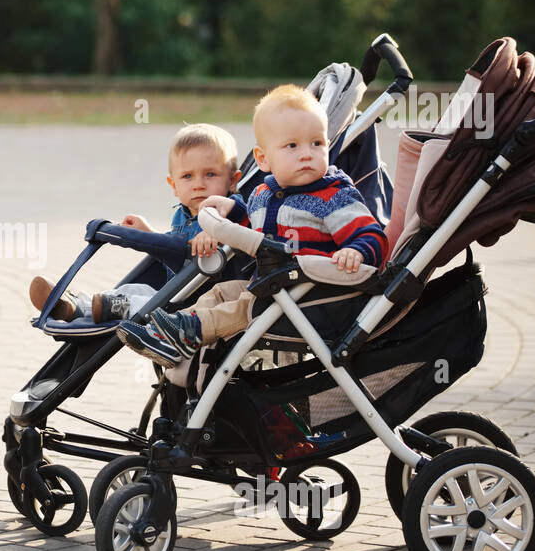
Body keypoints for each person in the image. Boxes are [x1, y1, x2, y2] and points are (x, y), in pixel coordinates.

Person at [118, 84, 388, 366]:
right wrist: (232, 209)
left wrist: (357, 250)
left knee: (244, 307)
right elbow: (251, 226)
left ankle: (188, 334)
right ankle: (172, 334)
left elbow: (371, 234)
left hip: (314, 297)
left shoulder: (334, 196)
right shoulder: (262, 194)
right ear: (263, 159)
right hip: (273, 288)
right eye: (292, 146)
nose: (307, 154)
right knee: (221, 292)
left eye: (317, 143)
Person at [28, 123, 244, 322]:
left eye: (210, 174)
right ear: (174, 185)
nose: (199, 184)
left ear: (232, 180)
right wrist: (148, 233)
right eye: (187, 176)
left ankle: (102, 309)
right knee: (133, 290)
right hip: (174, 293)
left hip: (202, 306)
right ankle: (75, 306)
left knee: (144, 302)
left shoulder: (230, 206)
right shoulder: (182, 215)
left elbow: (240, 219)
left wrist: (218, 230)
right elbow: (174, 248)